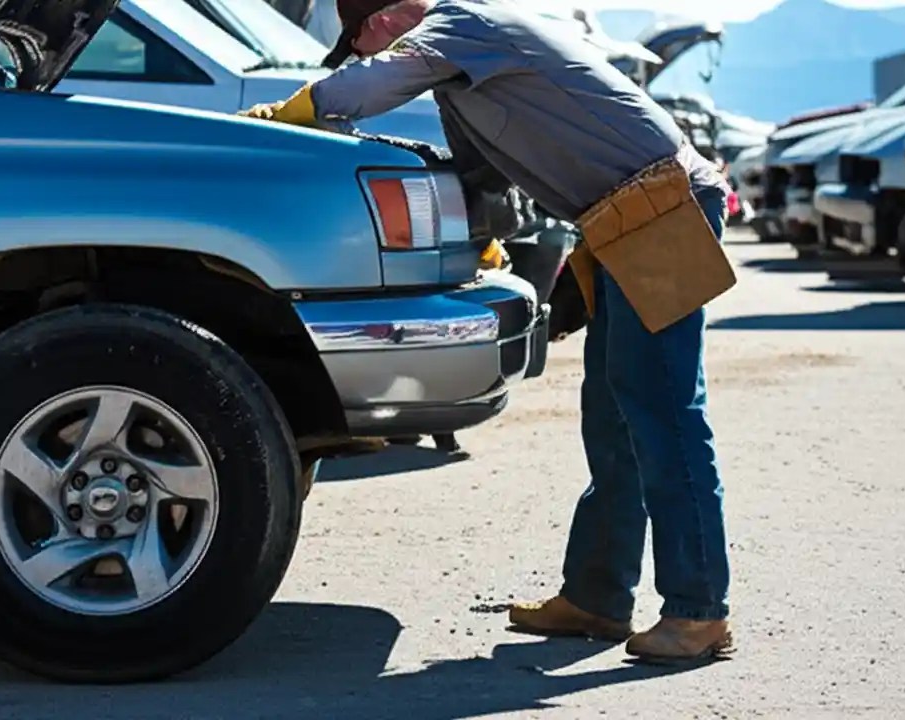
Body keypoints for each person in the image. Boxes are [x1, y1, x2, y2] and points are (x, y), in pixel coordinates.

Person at [242, 0, 737, 664]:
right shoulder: (460, 71)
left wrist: (286, 117)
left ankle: (699, 612)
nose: (360, 56)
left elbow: (366, 87)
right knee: (615, 411)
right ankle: (597, 596)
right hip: (622, 214)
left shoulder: (461, 25)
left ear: (383, 18)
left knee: (663, 408)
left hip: (661, 206)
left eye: (356, 43)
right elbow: (484, 174)